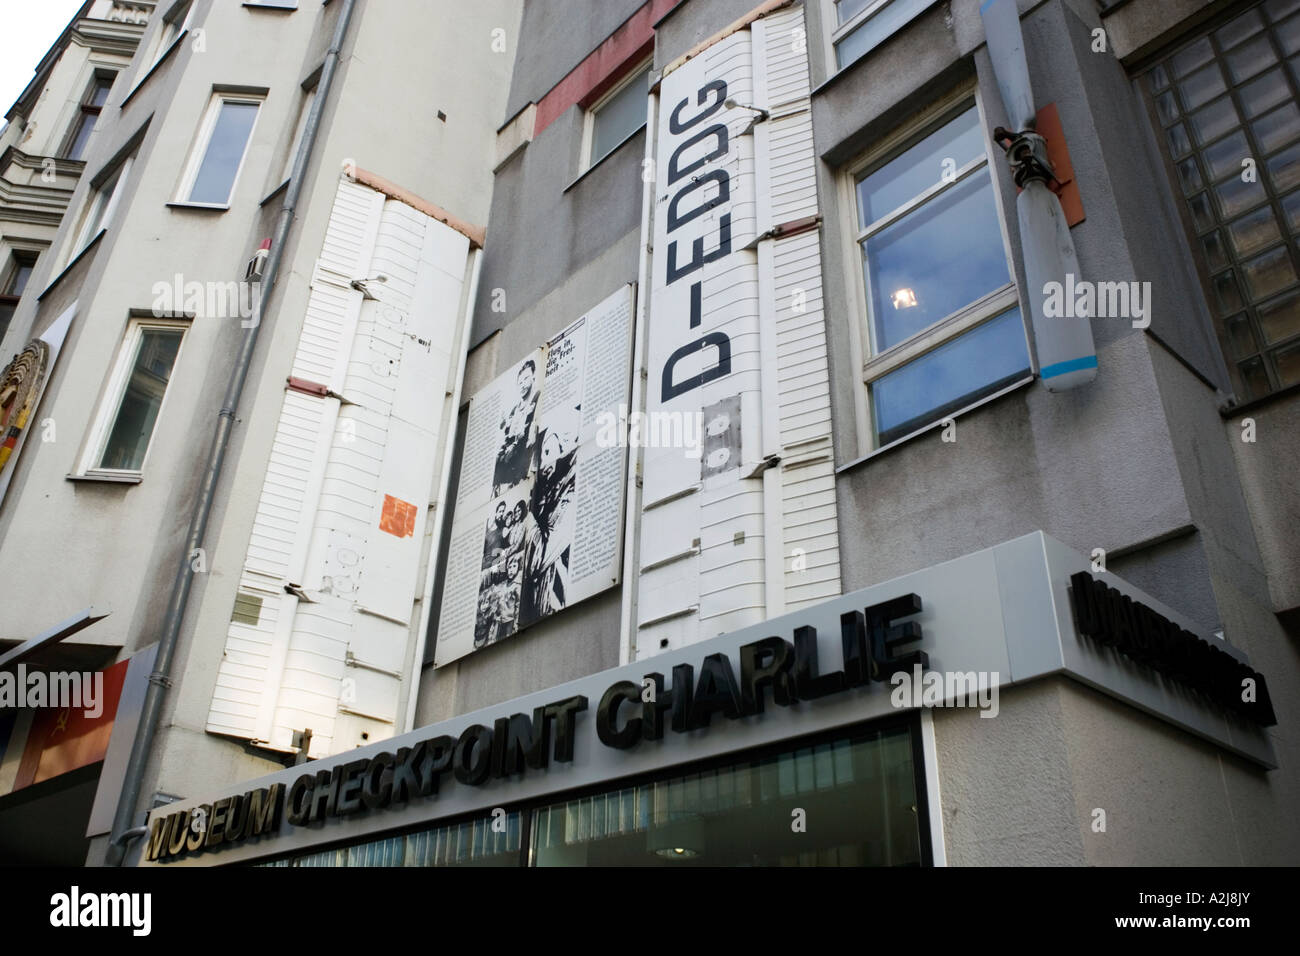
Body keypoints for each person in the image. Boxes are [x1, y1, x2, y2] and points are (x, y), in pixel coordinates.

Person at [493, 360, 539, 493]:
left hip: (523, 463)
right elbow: (507, 436)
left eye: (526, 379)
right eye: (520, 382)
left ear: (533, 377)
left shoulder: (537, 397)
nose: (523, 384)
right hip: (507, 466)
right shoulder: (514, 410)